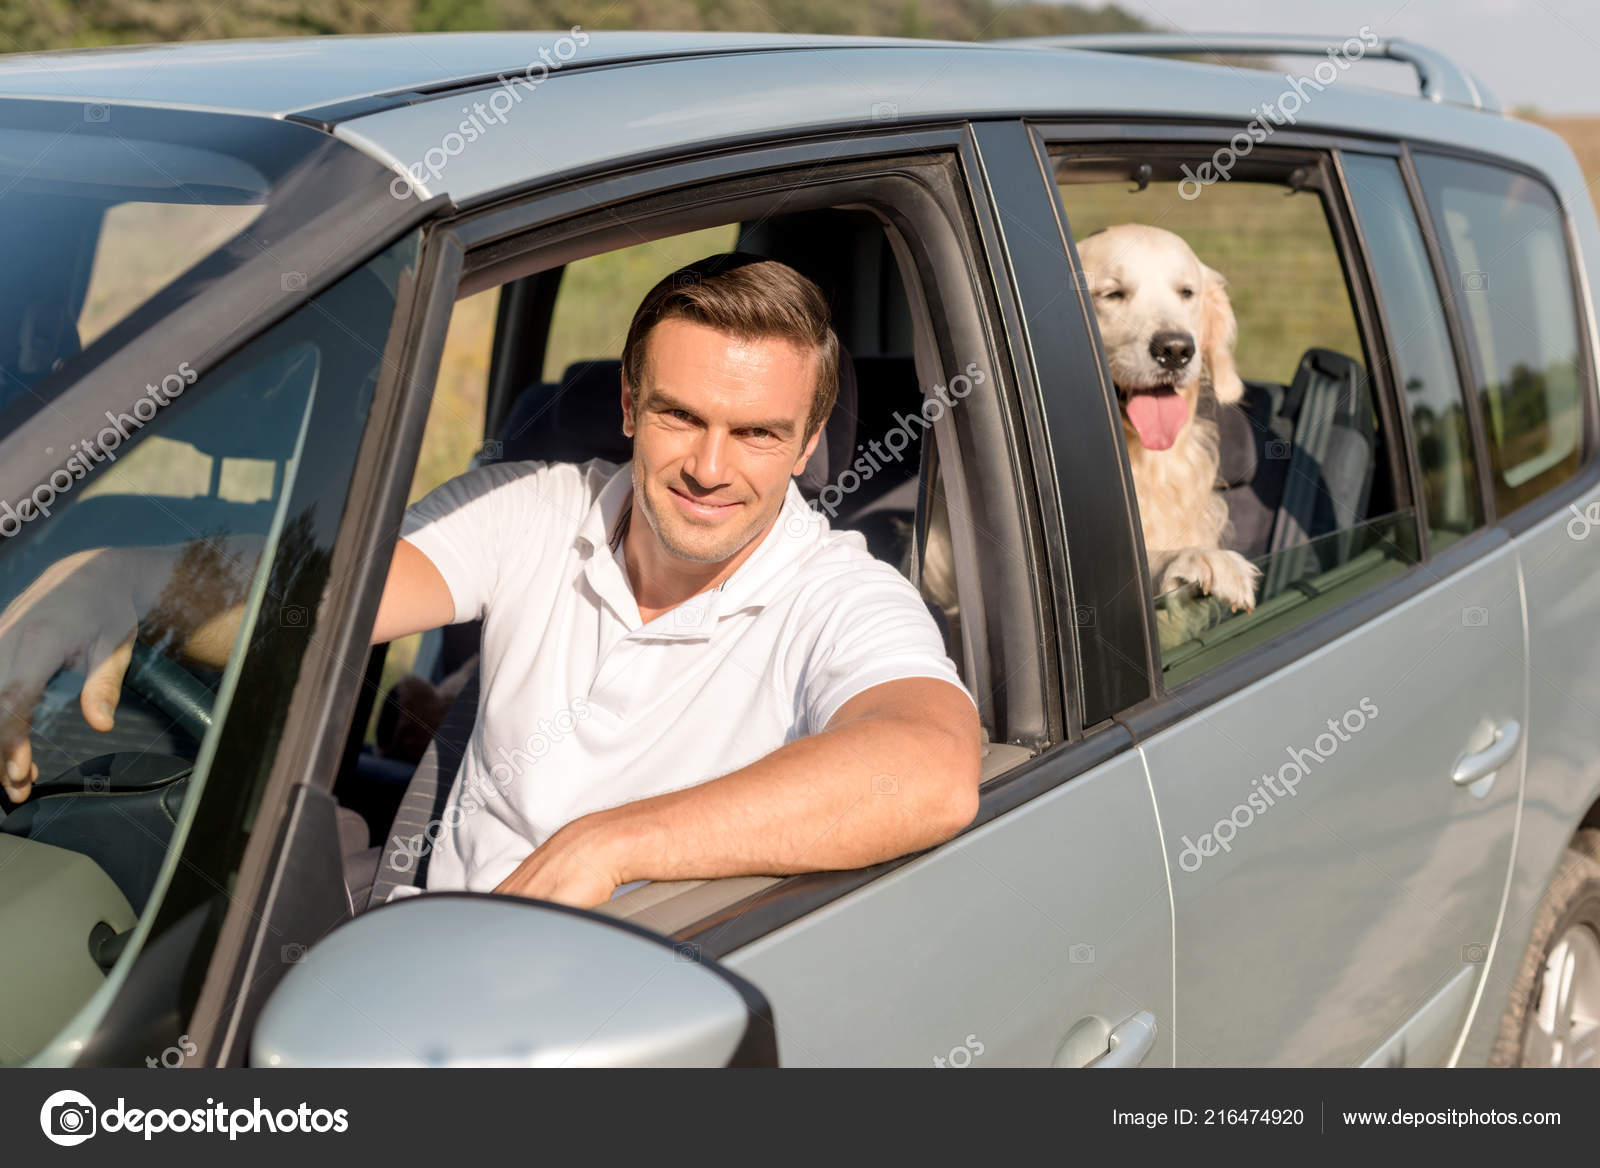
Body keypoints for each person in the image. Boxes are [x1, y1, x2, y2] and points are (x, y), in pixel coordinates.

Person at [0, 253, 981, 909]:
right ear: (630, 405)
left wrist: (607, 844)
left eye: (758, 433)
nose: (712, 467)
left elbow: (929, 768)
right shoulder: (541, 508)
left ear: (809, 444)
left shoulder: (835, 594)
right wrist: (127, 579)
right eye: (682, 416)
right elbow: (324, 594)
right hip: (419, 959)